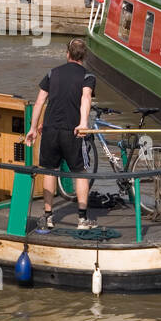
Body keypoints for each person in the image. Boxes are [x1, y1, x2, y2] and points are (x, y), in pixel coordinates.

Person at [24, 39, 96, 231]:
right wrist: (83, 123)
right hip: (72, 131)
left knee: (50, 170)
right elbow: (86, 98)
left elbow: (39, 102)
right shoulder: (88, 76)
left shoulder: (52, 73)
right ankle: (82, 220)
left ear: (67, 54)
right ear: (85, 56)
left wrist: (33, 128)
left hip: (49, 130)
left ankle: (48, 217)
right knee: (80, 173)